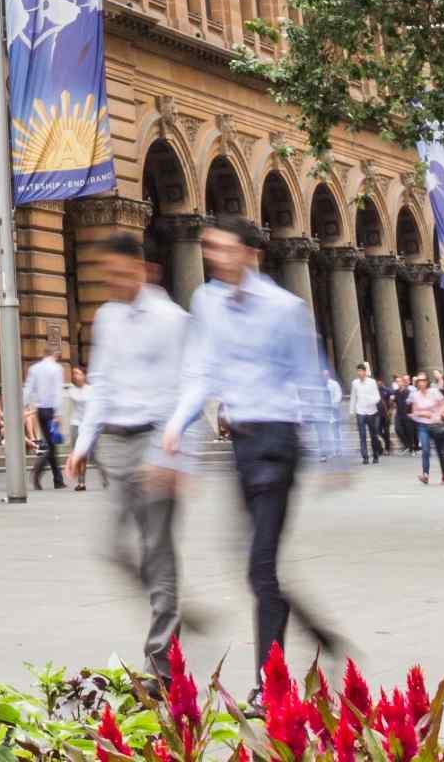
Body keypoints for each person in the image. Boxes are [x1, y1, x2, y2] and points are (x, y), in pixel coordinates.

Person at [160, 217, 344, 708]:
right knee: (255, 566)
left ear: (249, 253)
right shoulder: (206, 302)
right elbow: (200, 370)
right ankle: (309, 625)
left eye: (223, 248)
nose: (214, 257)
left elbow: (312, 375)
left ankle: (269, 684)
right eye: (209, 249)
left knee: (259, 566)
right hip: (241, 441)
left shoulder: (285, 309)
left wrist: (335, 451)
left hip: (279, 441)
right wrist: (178, 426)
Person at [66, 233, 191, 685]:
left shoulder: (173, 320)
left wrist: (170, 456)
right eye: (108, 276)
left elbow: (184, 390)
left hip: (155, 443)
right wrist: (82, 444)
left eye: (120, 274)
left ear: (143, 270)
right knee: (114, 547)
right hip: (114, 446)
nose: (113, 283)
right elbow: (100, 381)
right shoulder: (106, 317)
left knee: (156, 548)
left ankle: (161, 662)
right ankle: (172, 605)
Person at [25, 345, 67, 490]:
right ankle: (37, 472)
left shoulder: (34, 368)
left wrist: (25, 405)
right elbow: (58, 392)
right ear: (55, 354)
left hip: (40, 410)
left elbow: (28, 389)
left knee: (51, 445)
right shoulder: (56, 369)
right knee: (51, 446)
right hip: (51, 411)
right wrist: (58, 413)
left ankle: (58, 480)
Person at [64, 364, 108, 491]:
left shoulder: (92, 390)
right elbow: (78, 400)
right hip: (76, 424)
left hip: (90, 426)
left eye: (78, 373)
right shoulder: (71, 391)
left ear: (84, 375)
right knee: (79, 455)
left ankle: (105, 477)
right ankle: (81, 483)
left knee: (94, 456)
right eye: (74, 374)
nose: (75, 376)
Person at [409, 372, 444, 485]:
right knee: (425, 450)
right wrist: (423, 414)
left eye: (424, 380)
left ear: (427, 381)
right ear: (417, 383)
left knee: (440, 451)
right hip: (423, 425)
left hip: (435, 425)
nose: (422, 383)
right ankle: (425, 475)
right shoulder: (415, 395)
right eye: (419, 381)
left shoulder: (434, 391)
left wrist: (438, 413)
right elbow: (414, 412)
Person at [350, 362, 381, 464]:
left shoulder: (372, 382)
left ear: (365, 372)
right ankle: (365, 457)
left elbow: (377, 397)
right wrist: (351, 411)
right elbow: (353, 397)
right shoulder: (355, 383)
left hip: (371, 412)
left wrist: (371, 401)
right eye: (358, 371)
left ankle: (375, 455)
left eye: (361, 371)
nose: (359, 373)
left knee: (373, 435)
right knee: (362, 435)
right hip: (360, 411)